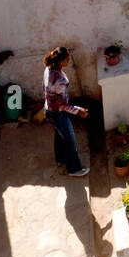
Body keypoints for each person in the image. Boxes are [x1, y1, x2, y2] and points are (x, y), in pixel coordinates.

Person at [43, 46, 89, 177]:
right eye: (67, 58)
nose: (68, 60)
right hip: (57, 113)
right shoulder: (60, 80)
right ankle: (74, 169)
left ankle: (61, 160)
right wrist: (78, 110)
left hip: (48, 110)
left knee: (60, 135)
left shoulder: (48, 70)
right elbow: (62, 104)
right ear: (62, 61)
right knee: (69, 139)